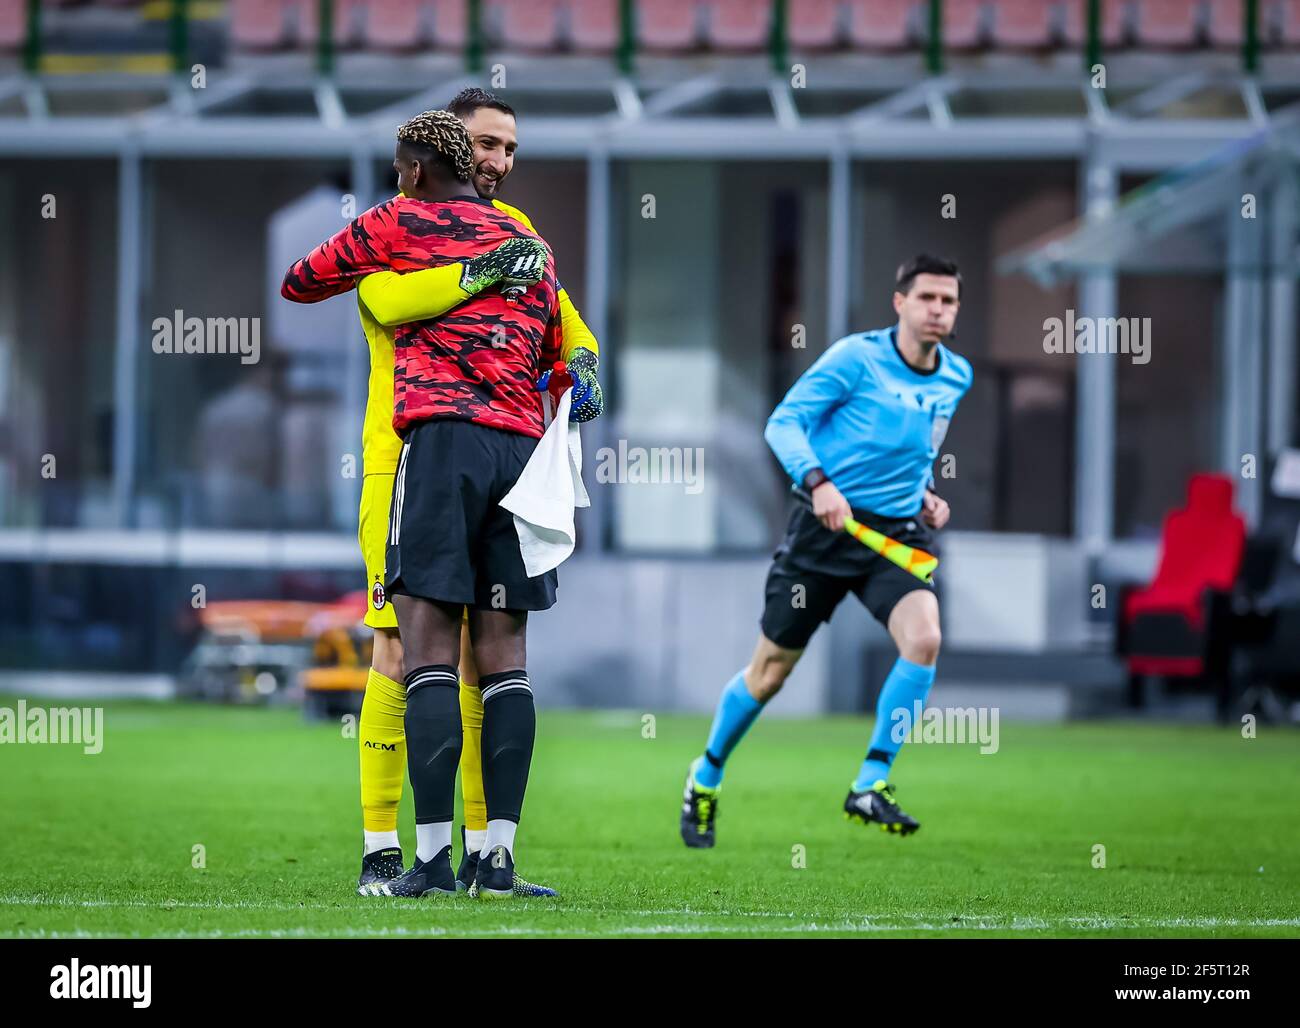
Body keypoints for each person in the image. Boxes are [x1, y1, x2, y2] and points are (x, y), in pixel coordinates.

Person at [283, 110, 601, 898]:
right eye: (488, 144)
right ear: (454, 146)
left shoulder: (505, 227)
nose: (500, 160)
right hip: (402, 457)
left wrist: (585, 366)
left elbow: (567, 328)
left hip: (446, 443)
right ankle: (381, 845)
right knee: (403, 648)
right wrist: (483, 274)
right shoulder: (413, 229)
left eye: (512, 148)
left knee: (456, 657)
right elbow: (385, 303)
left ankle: (471, 857)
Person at [679, 255, 971, 848]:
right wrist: (820, 483)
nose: (938, 310)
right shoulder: (855, 358)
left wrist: (927, 495)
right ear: (900, 303)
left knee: (925, 638)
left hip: (893, 537)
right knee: (769, 675)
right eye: (928, 299)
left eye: (949, 301)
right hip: (822, 532)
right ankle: (705, 774)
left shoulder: (954, 376)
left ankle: (871, 781)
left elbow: (916, 450)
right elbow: (784, 422)